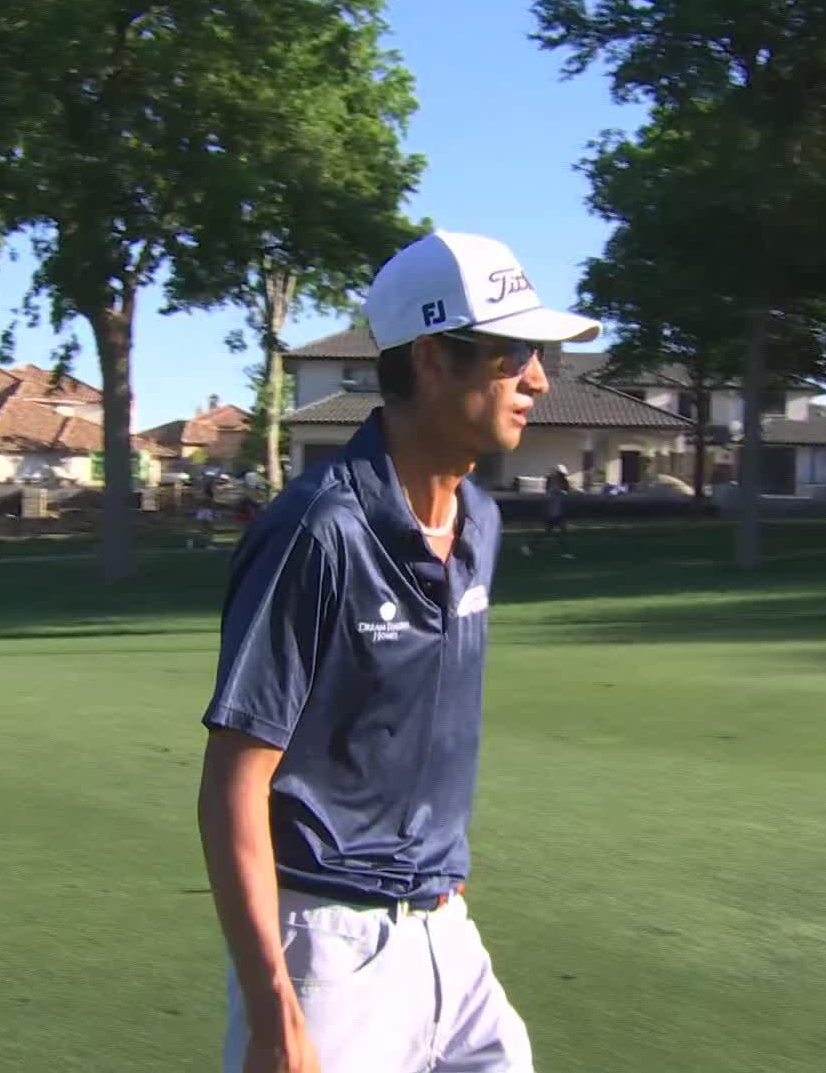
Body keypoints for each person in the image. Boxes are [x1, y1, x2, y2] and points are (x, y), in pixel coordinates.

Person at [199, 230, 592, 1073]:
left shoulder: (481, 520)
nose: (537, 379)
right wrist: (275, 1010)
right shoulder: (317, 530)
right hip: (328, 951)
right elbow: (234, 781)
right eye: (514, 354)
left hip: (446, 932)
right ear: (431, 359)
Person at [541, 464, 572, 558]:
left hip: (557, 511)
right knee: (557, 531)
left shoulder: (559, 482)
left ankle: (530, 548)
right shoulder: (553, 483)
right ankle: (565, 552)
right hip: (554, 512)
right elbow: (550, 495)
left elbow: (565, 493)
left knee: (554, 531)